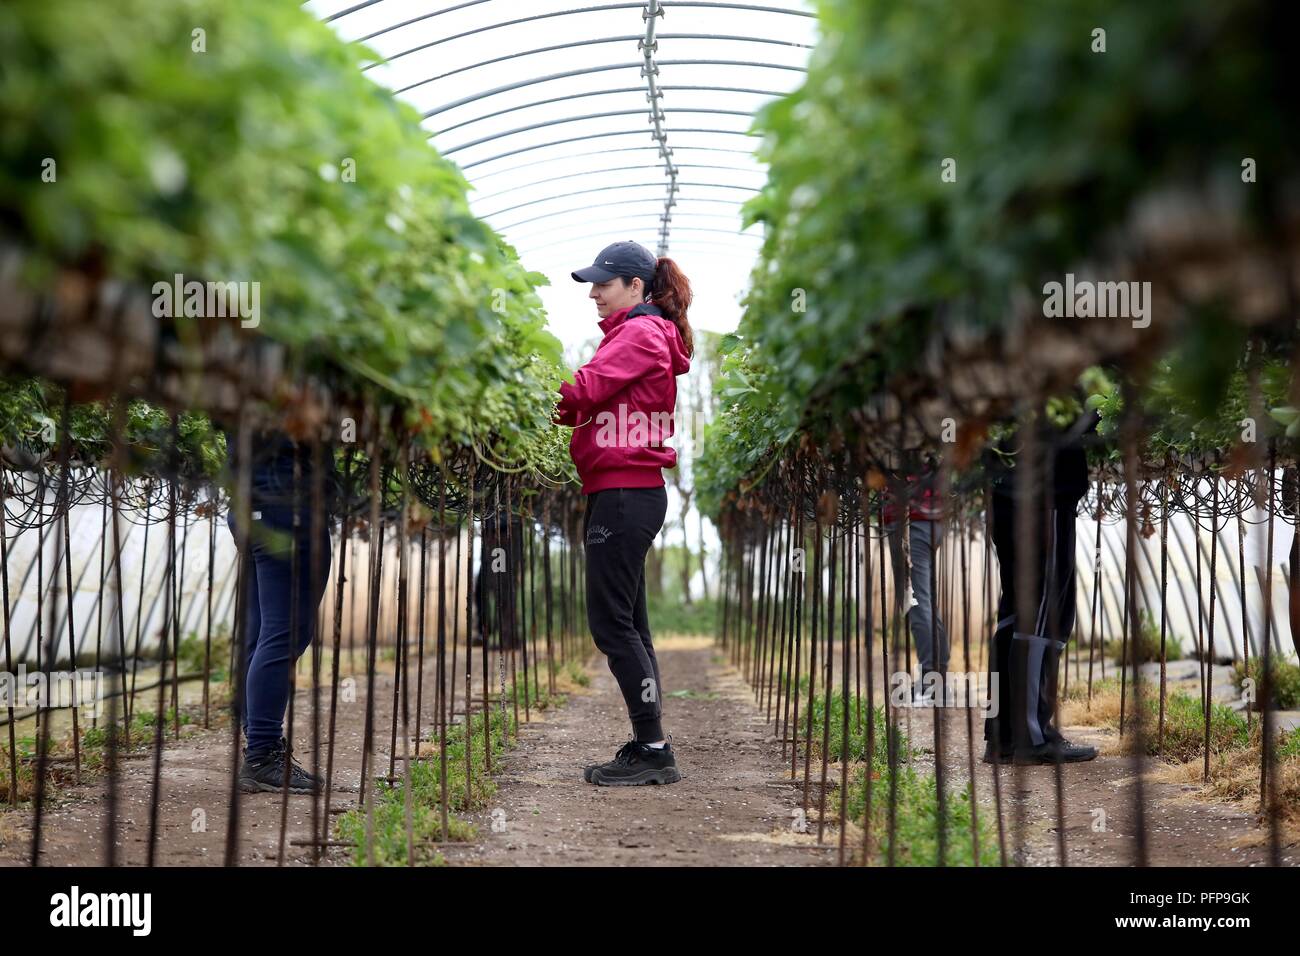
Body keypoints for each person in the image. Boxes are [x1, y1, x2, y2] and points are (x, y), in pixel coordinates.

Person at [555, 240, 692, 786]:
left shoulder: (639, 333)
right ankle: (649, 741)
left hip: (623, 494)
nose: (593, 294)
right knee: (632, 624)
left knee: (611, 623)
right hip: (629, 492)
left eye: (603, 284)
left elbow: (582, 392)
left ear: (635, 287)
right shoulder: (644, 333)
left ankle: (653, 747)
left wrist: (535, 391)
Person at [982, 406, 1099, 764]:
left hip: (1007, 494)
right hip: (1043, 494)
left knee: (1015, 612)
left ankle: (1001, 735)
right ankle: (1031, 735)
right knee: (1044, 616)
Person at [224, 427, 337, 793]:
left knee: (262, 633)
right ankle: (261, 754)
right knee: (284, 632)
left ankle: (259, 744)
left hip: (250, 506)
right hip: (287, 509)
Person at [883, 464, 948, 705]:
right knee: (926, 600)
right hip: (930, 518)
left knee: (916, 601)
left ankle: (930, 684)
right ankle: (938, 679)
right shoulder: (935, 429)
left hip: (911, 520)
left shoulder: (904, 430)